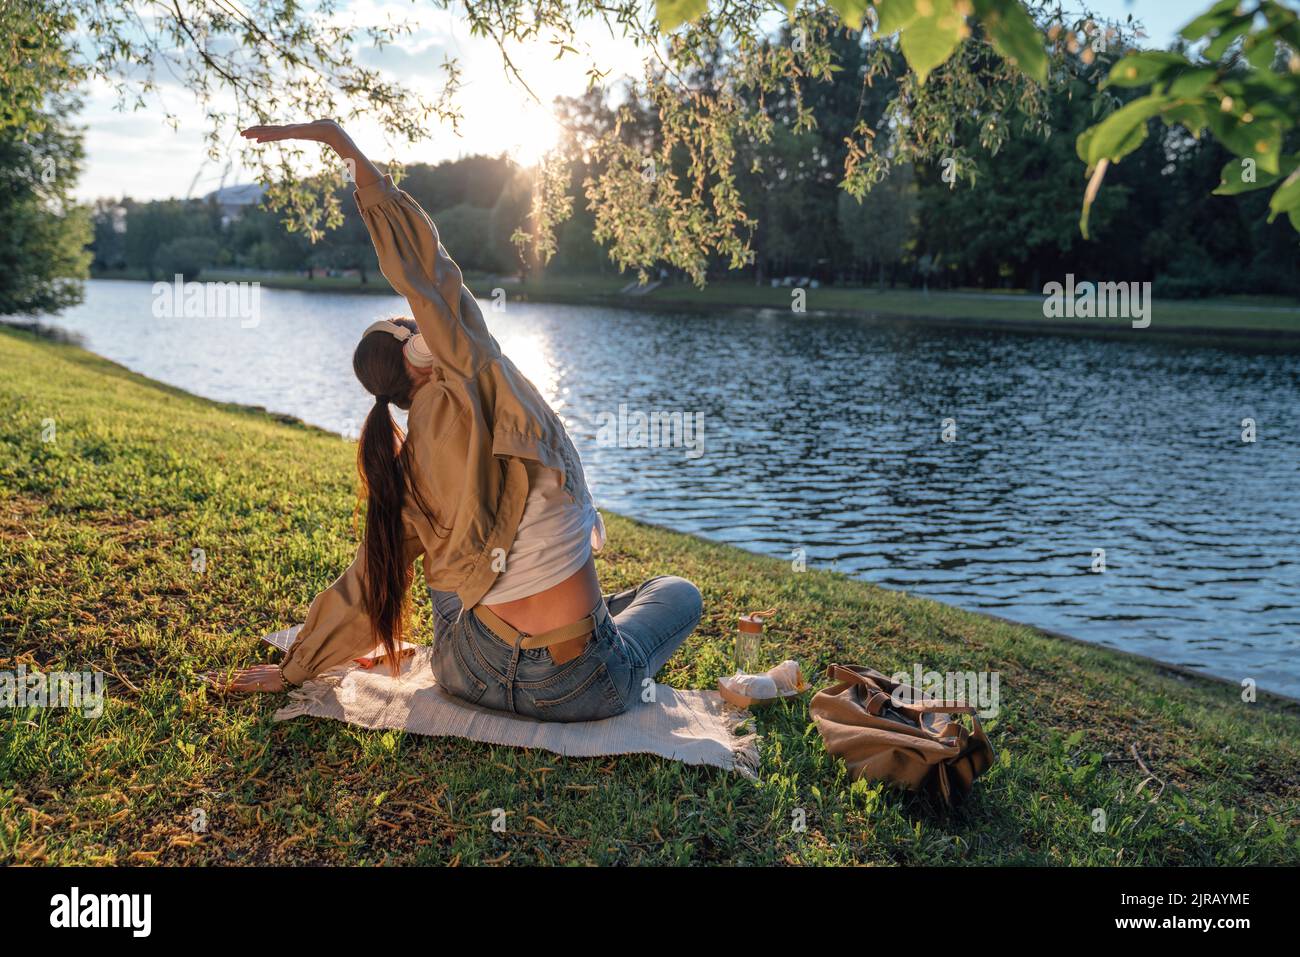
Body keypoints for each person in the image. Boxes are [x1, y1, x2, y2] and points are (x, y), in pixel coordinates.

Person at [208, 119, 702, 721]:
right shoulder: (476, 375)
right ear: (420, 348)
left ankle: (550, 620)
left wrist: (294, 667)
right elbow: (427, 272)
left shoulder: (407, 469)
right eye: (420, 328)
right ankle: (578, 623)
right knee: (676, 592)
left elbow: (369, 580)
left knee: (443, 556)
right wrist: (344, 147)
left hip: (467, 673)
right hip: (580, 687)